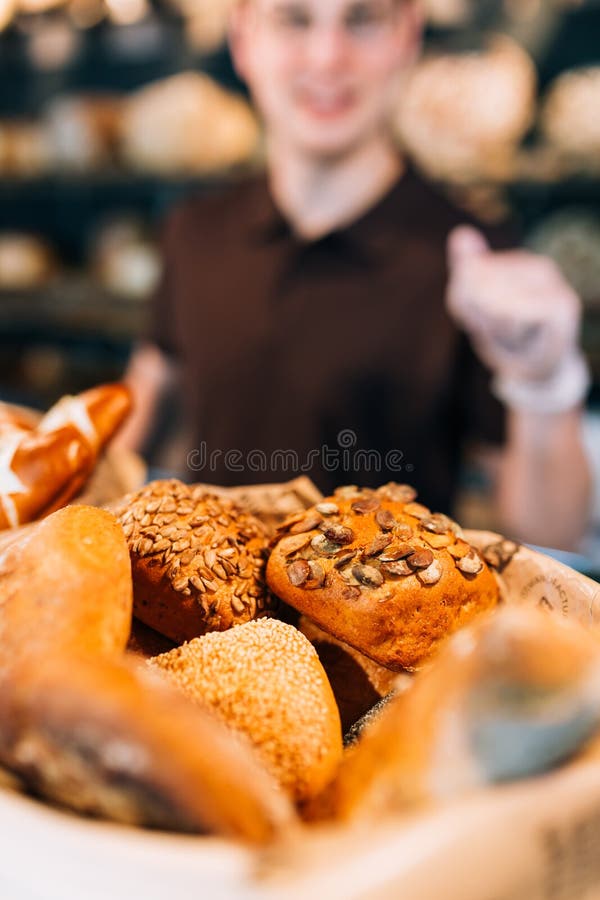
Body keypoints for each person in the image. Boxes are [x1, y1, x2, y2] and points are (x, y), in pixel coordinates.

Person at [116, 0, 591, 550]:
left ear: (406, 37)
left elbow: (551, 535)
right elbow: (140, 407)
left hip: (387, 624)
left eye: (362, 19)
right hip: (204, 618)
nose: (327, 56)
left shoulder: (475, 263)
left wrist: (545, 383)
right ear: (244, 39)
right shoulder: (194, 231)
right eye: (294, 20)